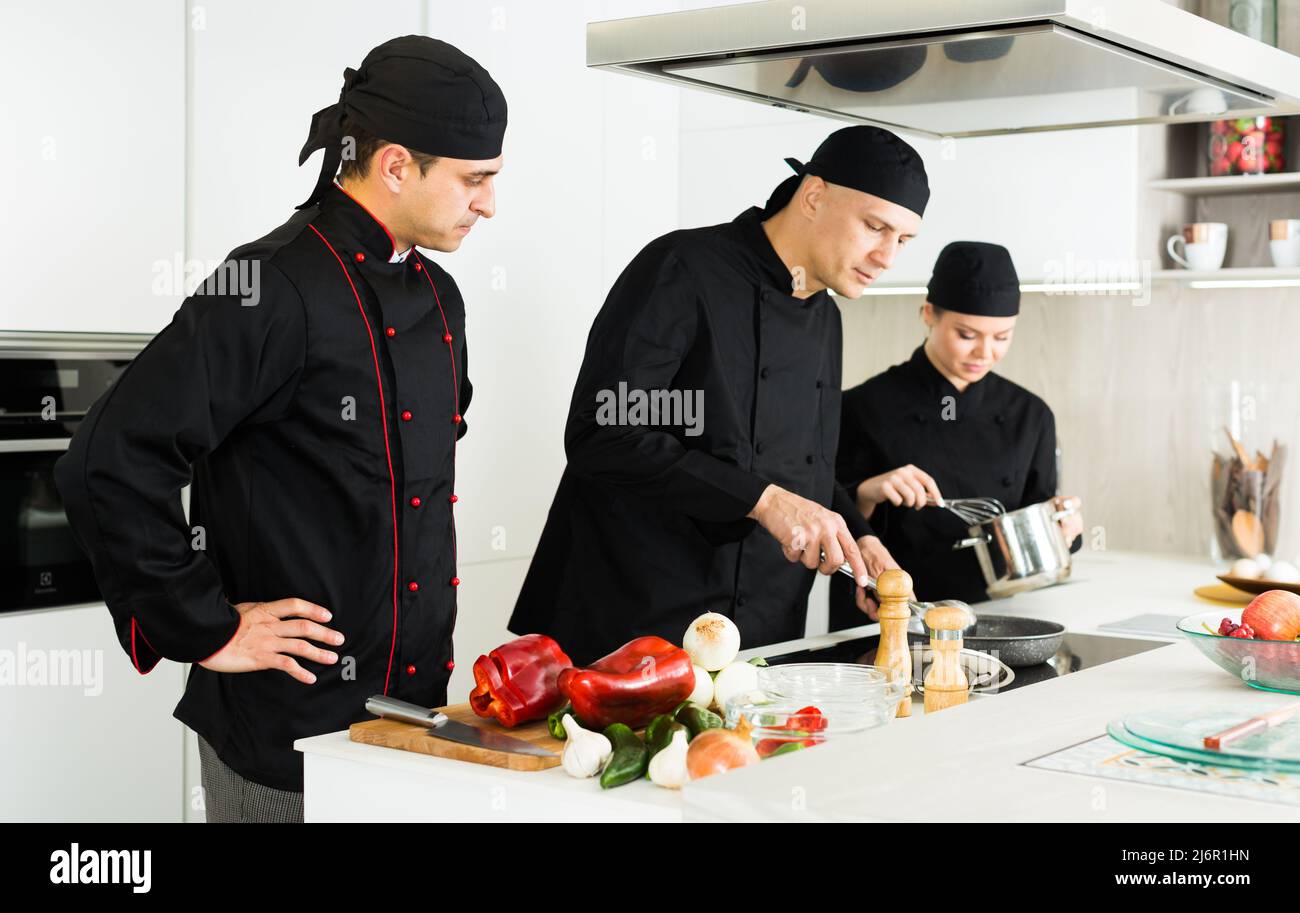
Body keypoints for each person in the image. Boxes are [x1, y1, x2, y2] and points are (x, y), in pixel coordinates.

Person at [53, 35, 506, 822]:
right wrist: (207, 628)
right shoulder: (266, 284)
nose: (489, 204)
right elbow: (109, 458)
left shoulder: (441, 300)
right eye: (474, 180)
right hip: (285, 738)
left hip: (413, 717)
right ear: (397, 165)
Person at [510, 126, 929, 664]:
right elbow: (604, 431)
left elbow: (807, 468)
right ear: (814, 195)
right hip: (635, 621)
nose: (887, 256)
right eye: (875, 227)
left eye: (904, 241)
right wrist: (764, 500)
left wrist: (860, 541)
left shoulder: (825, 315)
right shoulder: (683, 269)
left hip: (763, 633)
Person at [830, 241, 1083, 627]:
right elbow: (828, 516)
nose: (984, 352)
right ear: (929, 313)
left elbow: (1039, 516)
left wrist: (1066, 528)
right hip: (888, 620)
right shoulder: (863, 406)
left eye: (1002, 337)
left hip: (994, 617)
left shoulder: (1030, 415)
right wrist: (869, 491)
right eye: (967, 335)